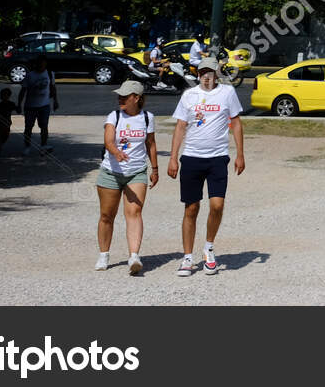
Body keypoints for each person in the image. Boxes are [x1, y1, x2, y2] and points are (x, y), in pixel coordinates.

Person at [166, 59, 245, 277]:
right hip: (191, 157)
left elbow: (236, 122)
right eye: (203, 72)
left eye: (210, 71)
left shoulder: (227, 93)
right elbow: (181, 126)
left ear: (217, 73)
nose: (206, 75)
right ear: (198, 74)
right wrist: (173, 157)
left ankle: (209, 248)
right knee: (191, 208)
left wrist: (240, 154)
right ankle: (187, 257)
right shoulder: (188, 96)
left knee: (217, 205)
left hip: (218, 158)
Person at [94, 80, 158, 275]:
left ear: (136, 98)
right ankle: (104, 254)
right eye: (119, 95)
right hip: (111, 172)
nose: (120, 98)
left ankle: (134, 256)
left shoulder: (147, 117)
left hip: (136, 172)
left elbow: (151, 144)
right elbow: (108, 140)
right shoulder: (114, 116)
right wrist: (116, 153)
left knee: (134, 212)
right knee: (107, 215)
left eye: (125, 95)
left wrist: (154, 169)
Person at [18, 54, 59, 154]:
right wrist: (19, 104)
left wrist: (55, 101)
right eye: (39, 64)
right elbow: (23, 91)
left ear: (46, 64)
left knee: (44, 127)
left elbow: (53, 88)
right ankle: (27, 146)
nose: (41, 65)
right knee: (28, 127)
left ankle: (43, 146)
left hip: (44, 106)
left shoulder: (50, 74)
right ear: (36, 64)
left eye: (43, 64)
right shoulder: (30, 76)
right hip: (30, 106)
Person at [0, 87, 17, 154]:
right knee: (0, 135)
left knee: (6, 135)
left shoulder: (11, 104)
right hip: (0, 123)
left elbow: (17, 110)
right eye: (2, 95)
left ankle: (0, 145)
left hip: (7, 122)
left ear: (8, 96)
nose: (4, 97)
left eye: (6, 95)